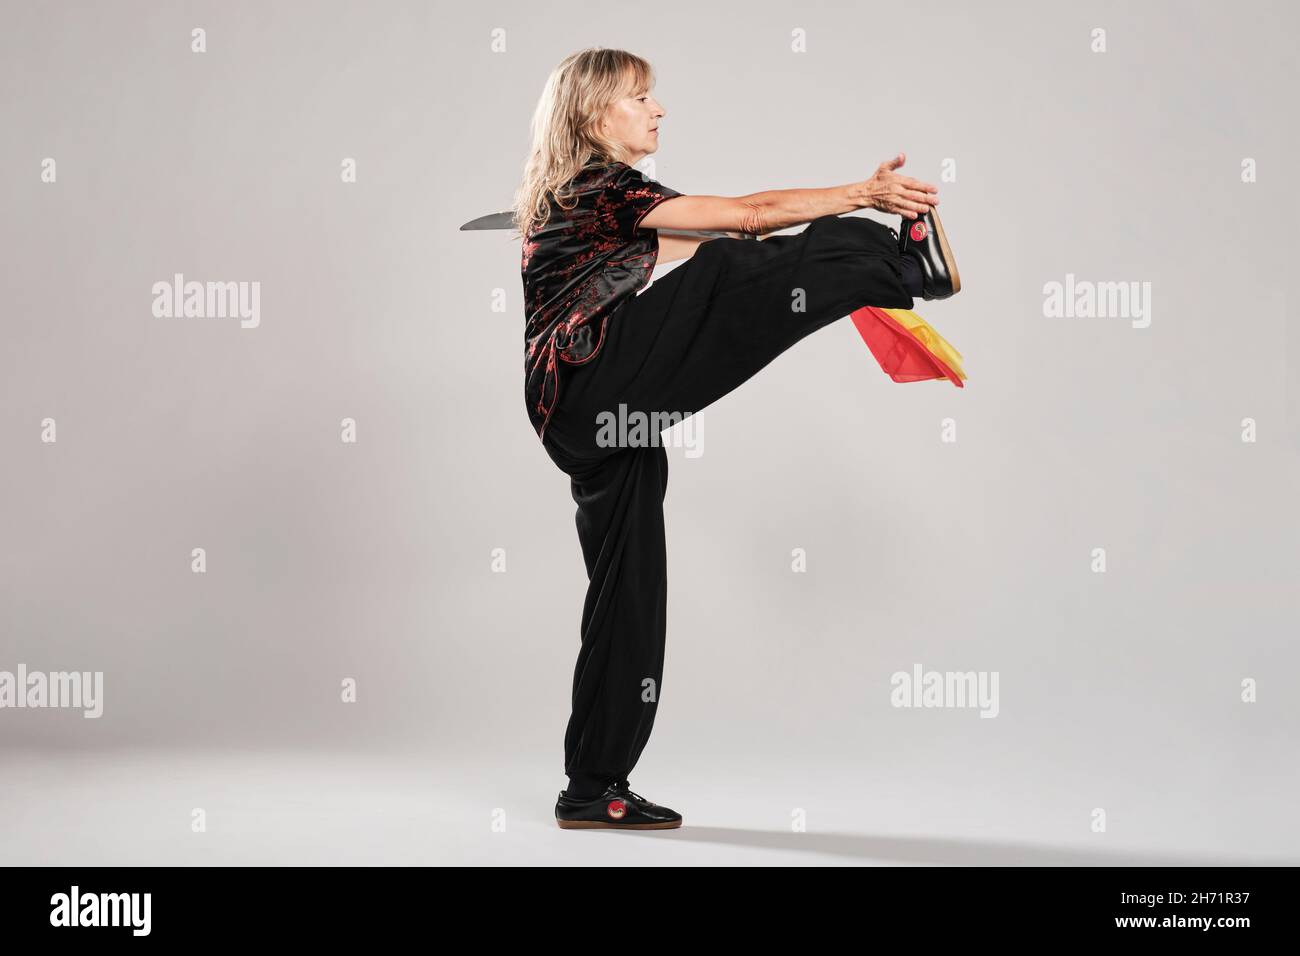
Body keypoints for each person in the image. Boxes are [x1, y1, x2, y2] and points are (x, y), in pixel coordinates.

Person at [512, 48, 961, 830]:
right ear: (593, 116)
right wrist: (862, 196)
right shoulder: (598, 185)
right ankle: (900, 268)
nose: (657, 111)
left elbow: (729, 235)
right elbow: (744, 218)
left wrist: (770, 247)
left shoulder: (597, 200)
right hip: (589, 385)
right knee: (743, 261)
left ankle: (593, 787)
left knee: (629, 595)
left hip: (591, 420)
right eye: (640, 98)